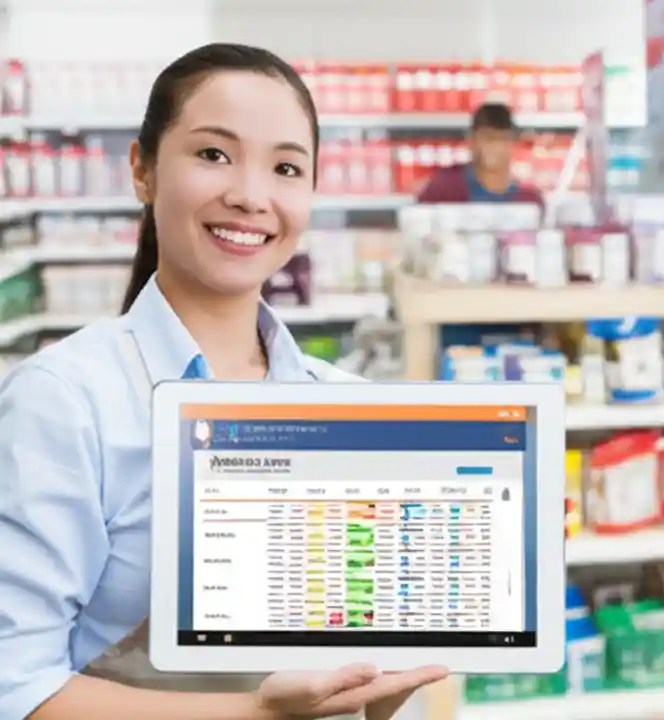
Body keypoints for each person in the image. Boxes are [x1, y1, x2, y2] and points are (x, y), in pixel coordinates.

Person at [0, 43, 447, 720]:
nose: (250, 195)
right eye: (213, 154)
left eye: (287, 167)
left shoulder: (344, 407)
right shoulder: (66, 400)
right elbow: (17, 687)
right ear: (143, 170)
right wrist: (257, 713)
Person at [417, 102, 543, 207]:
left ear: (513, 142)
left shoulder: (529, 200)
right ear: (471, 140)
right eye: (488, 138)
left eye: (502, 139)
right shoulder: (444, 189)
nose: (494, 147)